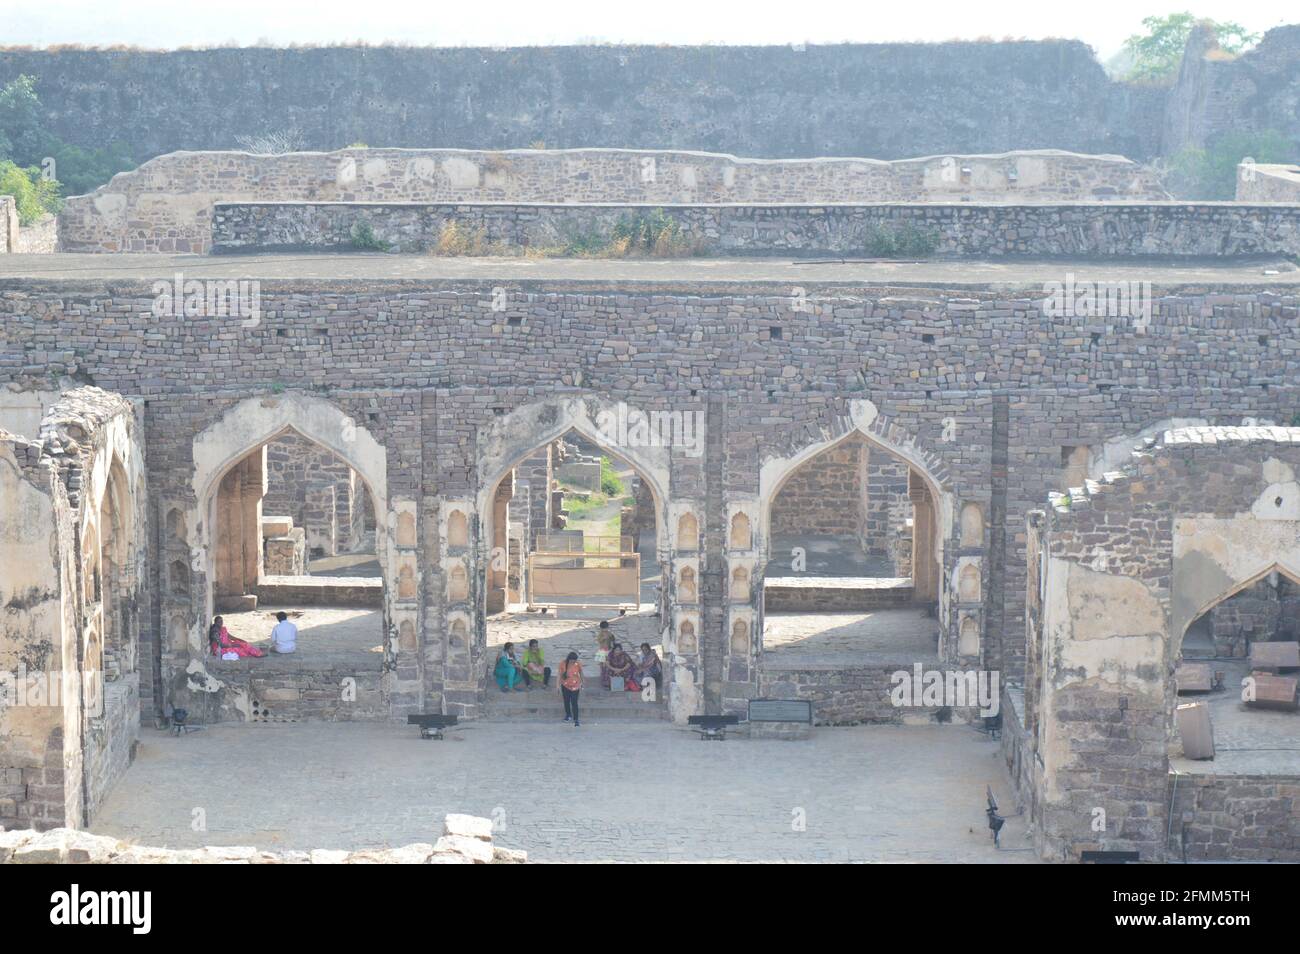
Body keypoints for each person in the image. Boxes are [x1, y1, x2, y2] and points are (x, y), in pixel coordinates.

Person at [559, 651, 583, 727]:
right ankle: (568, 715)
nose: (573, 662)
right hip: (565, 685)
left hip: (575, 685)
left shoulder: (578, 664)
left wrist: (583, 681)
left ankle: (576, 719)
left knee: (574, 702)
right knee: (566, 701)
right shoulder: (562, 663)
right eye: (572, 660)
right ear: (569, 659)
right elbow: (559, 675)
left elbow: (581, 672)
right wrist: (557, 685)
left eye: (574, 660)